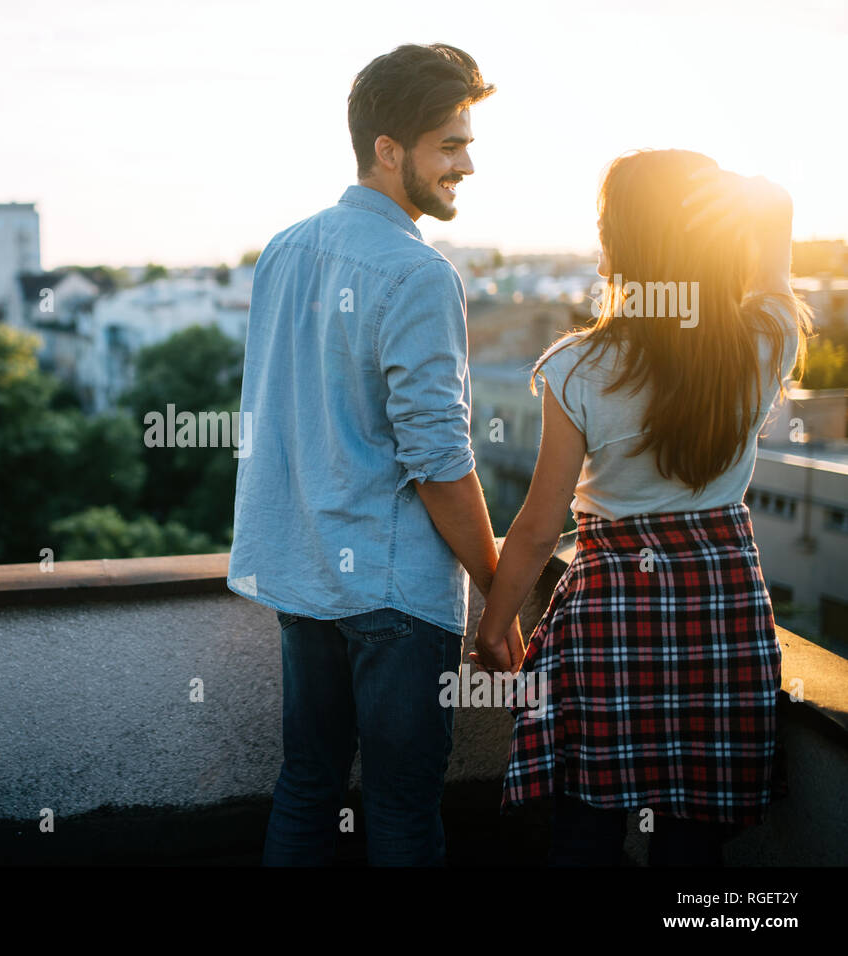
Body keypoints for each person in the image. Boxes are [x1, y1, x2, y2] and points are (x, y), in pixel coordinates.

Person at [226, 42, 522, 866]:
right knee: (400, 810)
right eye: (451, 145)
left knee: (307, 784)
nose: (467, 164)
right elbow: (438, 458)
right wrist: (499, 585)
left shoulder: (284, 249)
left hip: (307, 569)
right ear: (388, 150)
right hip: (392, 590)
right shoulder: (418, 273)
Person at [473, 149, 811, 866]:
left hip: (612, 613)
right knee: (694, 841)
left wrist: (493, 626)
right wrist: (754, 199)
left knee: (586, 827)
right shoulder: (765, 343)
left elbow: (538, 527)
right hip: (722, 612)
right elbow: (775, 250)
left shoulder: (578, 367)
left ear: (617, 244)